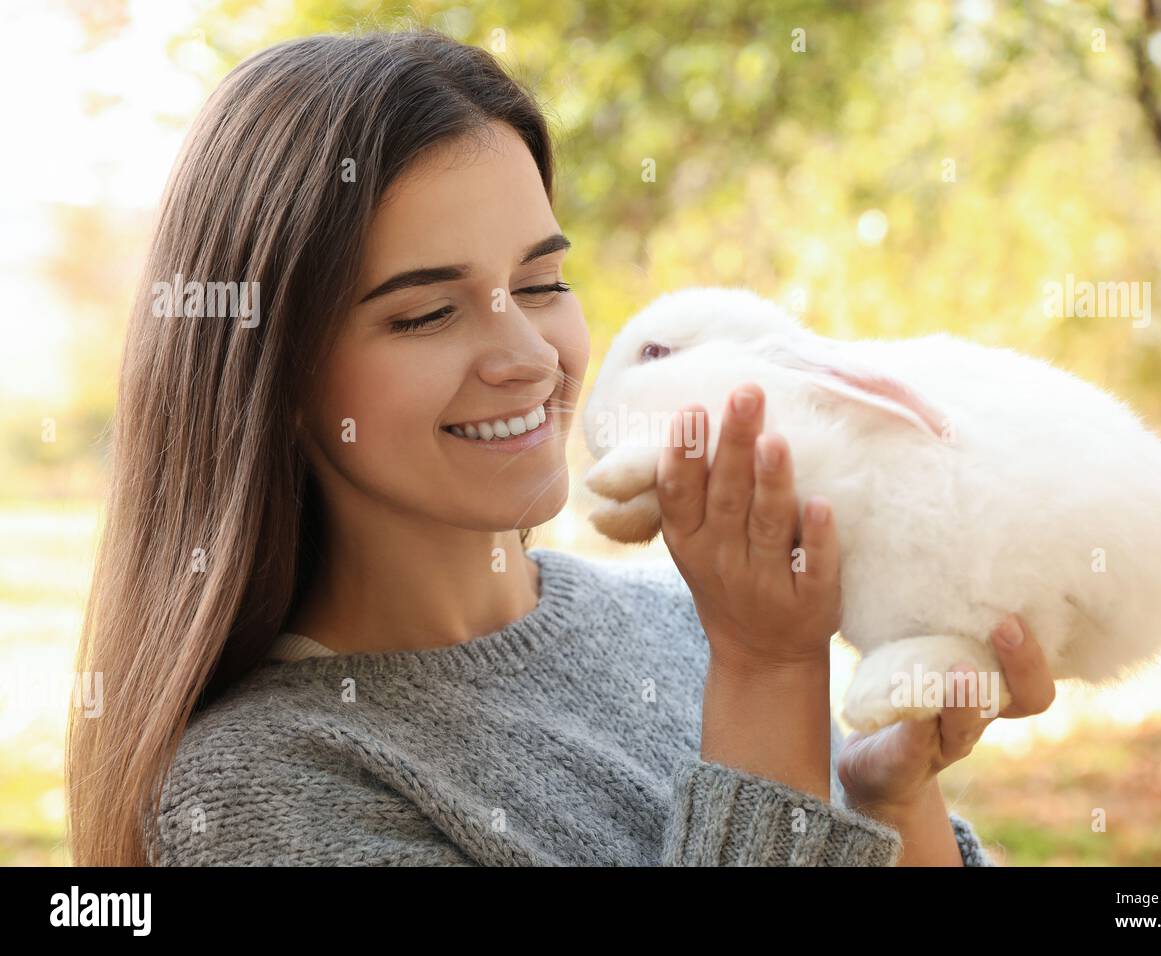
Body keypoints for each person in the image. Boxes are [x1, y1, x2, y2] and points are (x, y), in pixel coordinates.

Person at [66, 28, 1056, 867]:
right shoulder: (255, 787)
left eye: (540, 284)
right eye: (425, 313)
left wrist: (887, 800)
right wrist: (767, 677)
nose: (527, 355)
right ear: (274, 378)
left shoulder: (681, 625)